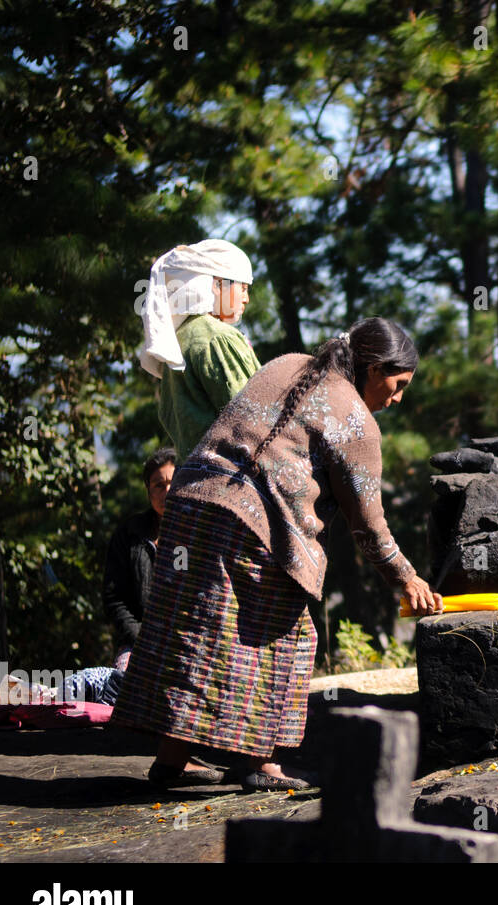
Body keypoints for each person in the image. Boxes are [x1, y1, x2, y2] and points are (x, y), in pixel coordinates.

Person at [111, 318, 444, 790]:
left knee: (199, 632)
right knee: (286, 638)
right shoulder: (357, 421)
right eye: (398, 384)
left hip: (190, 505)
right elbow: (368, 523)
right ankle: (259, 763)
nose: (397, 398)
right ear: (374, 368)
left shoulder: (288, 364)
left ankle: (171, 761)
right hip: (246, 523)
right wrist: (407, 578)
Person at [138, 239, 261, 462]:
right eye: (242, 287)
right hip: (233, 479)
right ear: (216, 285)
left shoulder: (178, 340)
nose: (246, 298)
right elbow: (255, 416)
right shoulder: (217, 337)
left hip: (190, 477)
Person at [102, 447, 176, 671]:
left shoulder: (193, 533)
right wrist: (141, 637)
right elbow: (114, 598)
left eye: (172, 483)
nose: (167, 491)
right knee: (123, 686)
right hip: (137, 643)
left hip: (183, 641)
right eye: (158, 486)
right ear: (148, 491)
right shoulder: (129, 534)